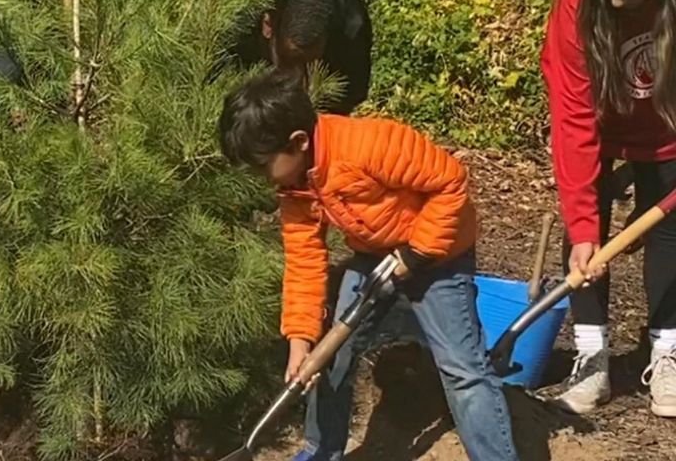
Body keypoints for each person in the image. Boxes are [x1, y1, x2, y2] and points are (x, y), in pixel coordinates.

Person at [218, 69, 517, 461]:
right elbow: (304, 261)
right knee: (330, 355)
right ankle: (320, 449)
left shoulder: (368, 145)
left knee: (462, 370)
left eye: (262, 166)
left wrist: (418, 253)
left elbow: (450, 181)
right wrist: (299, 342)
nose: (261, 178)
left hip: (439, 255)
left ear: (298, 142)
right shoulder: (296, 185)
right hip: (375, 254)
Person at [542, 0, 676, 417]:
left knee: (667, 225)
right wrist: (581, 228)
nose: (616, 1)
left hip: (667, 116)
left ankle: (666, 350)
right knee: (585, 228)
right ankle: (591, 354)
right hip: (597, 107)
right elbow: (574, 119)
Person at [212, 0, 372, 115]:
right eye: (291, 60)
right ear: (267, 26)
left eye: (310, 65)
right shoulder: (241, 8)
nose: (299, 79)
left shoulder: (351, 28)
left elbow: (345, 104)